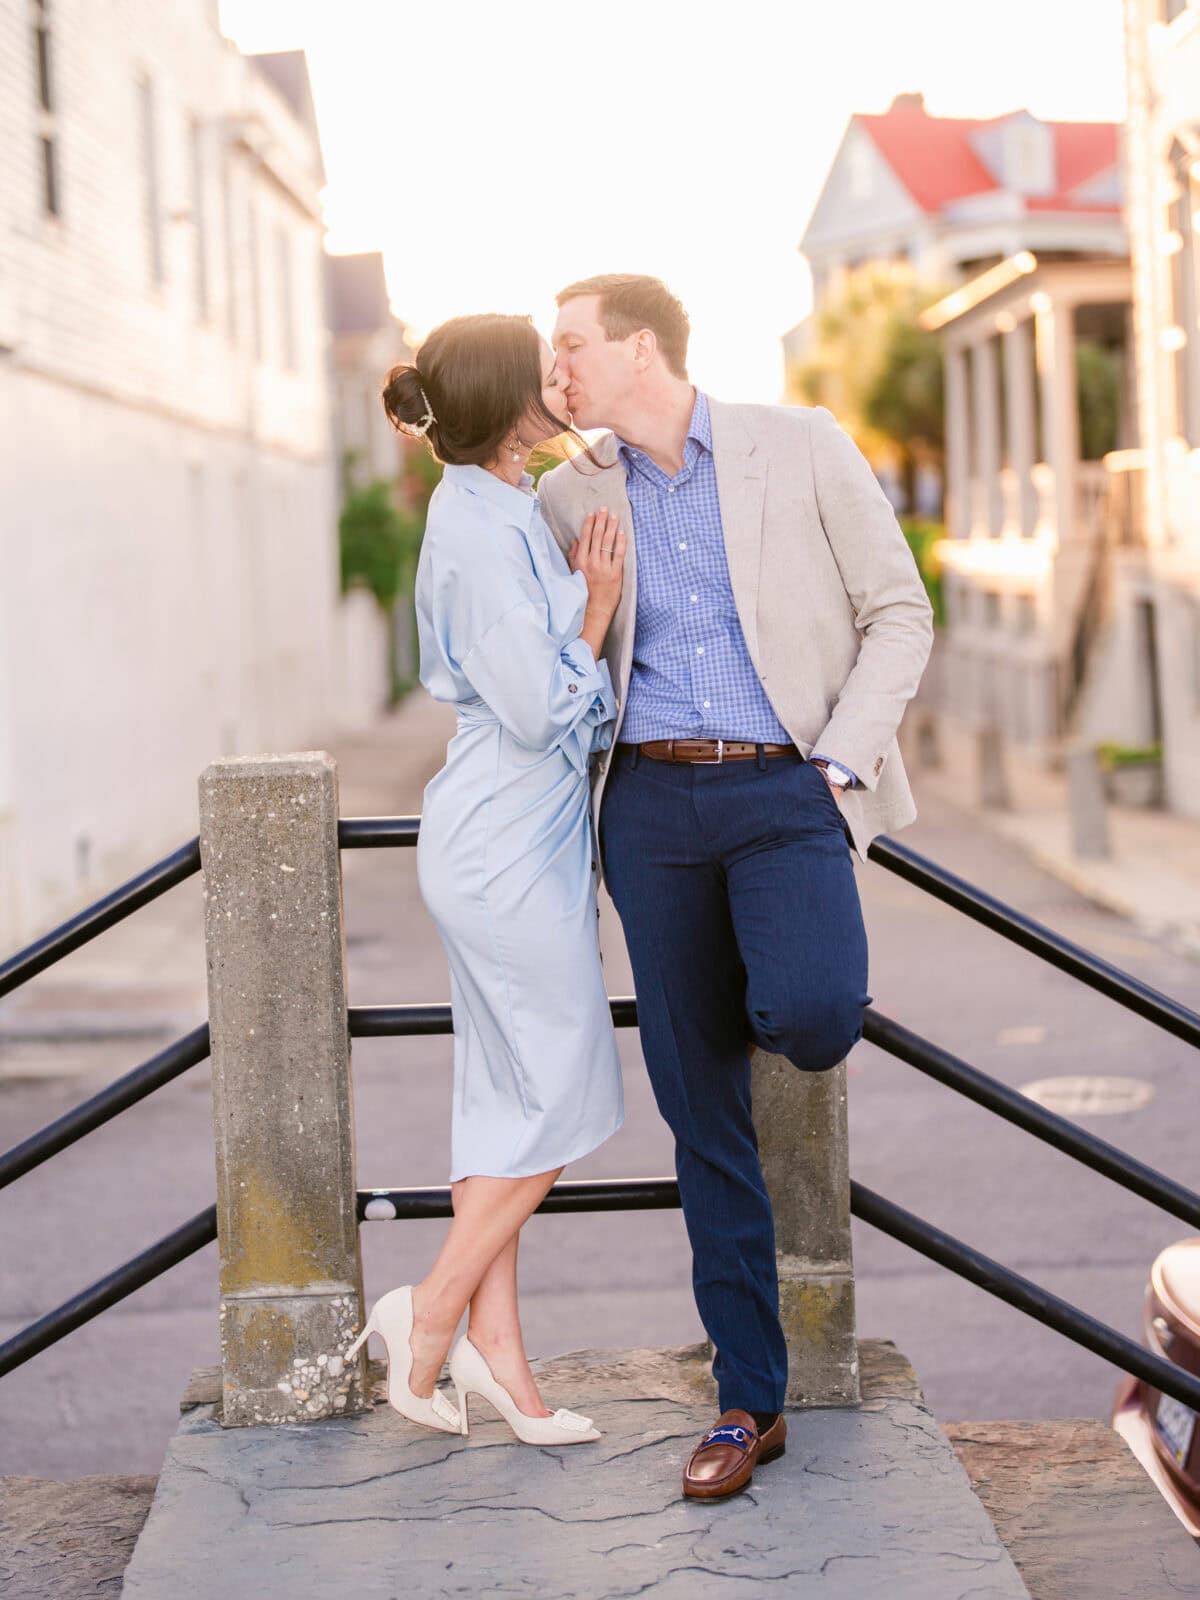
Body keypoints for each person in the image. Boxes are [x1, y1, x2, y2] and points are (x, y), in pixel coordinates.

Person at [538, 274, 934, 1499]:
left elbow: (898, 612)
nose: (555, 371)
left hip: (785, 791)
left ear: (641, 348)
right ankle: (746, 1402)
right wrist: (589, 610)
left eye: (572, 346)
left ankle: (759, 988)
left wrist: (834, 767)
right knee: (699, 1108)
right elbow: (550, 664)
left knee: (814, 1012)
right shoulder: (566, 494)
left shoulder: (796, 443)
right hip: (650, 807)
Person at [344, 313, 627, 1447]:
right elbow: (535, 705)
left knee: (508, 1099)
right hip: (505, 835)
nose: (561, 381)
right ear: (509, 401)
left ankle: (500, 1362)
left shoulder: (500, 504)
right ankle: (429, 1309)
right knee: (564, 1086)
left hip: (512, 832)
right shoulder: (476, 526)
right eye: (544, 372)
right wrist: (596, 610)